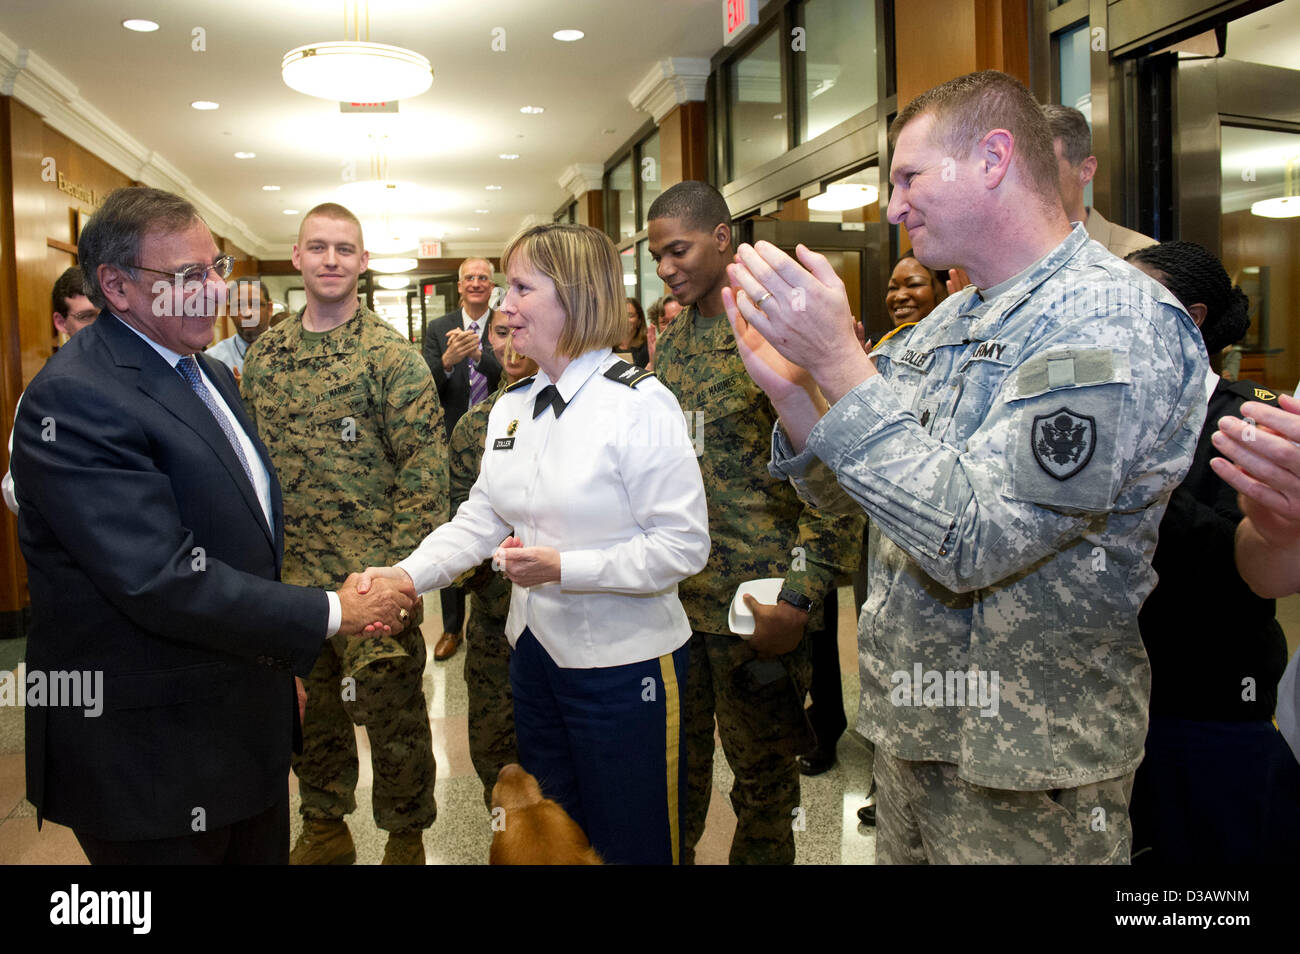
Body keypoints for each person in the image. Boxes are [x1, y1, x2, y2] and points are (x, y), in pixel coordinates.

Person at [724, 70, 1208, 863]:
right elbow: (863, 498)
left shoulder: (1110, 318)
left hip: (1029, 766)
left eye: (909, 176)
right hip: (914, 734)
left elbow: (977, 539)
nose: (892, 206)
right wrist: (793, 394)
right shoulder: (950, 319)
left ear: (992, 158)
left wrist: (843, 365)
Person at [9, 186, 412, 864]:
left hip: (235, 730)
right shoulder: (77, 398)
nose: (213, 292)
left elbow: (238, 538)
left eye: (215, 268)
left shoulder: (210, 376)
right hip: (150, 756)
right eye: (186, 277)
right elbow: (157, 578)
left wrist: (272, 665)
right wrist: (329, 611)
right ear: (116, 286)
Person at [357, 223, 709, 865]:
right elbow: (483, 512)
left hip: (625, 672)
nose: (503, 305)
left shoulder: (641, 405)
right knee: (551, 843)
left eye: (521, 287)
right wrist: (408, 575)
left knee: (633, 844)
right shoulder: (514, 404)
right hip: (537, 659)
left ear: (573, 297)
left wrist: (562, 567)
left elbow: (683, 546)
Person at [647, 181, 863, 865]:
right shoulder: (673, 342)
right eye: (655, 258)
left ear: (720, 237)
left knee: (764, 789)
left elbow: (834, 482)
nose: (666, 268)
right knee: (676, 778)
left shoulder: (778, 329)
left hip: (758, 610)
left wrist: (799, 597)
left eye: (677, 250)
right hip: (680, 608)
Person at [240, 202, 444, 866]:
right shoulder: (266, 354)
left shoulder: (393, 357)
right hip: (292, 588)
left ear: (362, 262)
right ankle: (325, 825)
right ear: (296, 258)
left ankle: (405, 836)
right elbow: (246, 465)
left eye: (345, 249)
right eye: (318, 247)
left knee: (394, 719)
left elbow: (424, 471)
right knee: (314, 717)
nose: (331, 260)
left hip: (373, 583)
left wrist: (401, 580)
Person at [1119, 240, 1299, 863]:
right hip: (1109, 699)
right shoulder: (1103, 412)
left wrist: (1140, 479)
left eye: (1127, 299)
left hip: (1209, 703)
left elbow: (1242, 568)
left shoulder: (1251, 422)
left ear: (1188, 317)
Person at [847, 252, 947, 824]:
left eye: (913, 283)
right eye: (892, 286)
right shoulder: (890, 349)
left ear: (942, 286)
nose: (900, 294)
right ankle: (883, 781)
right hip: (883, 534)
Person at [448, 310, 538, 807]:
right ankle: (508, 841)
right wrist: (487, 583)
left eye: (518, 330)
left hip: (563, 608)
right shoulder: (474, 427)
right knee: (496, 747)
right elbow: (456, 516)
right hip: (494, 616)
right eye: (499, 333)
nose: (511, 343)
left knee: (556, 749)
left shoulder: (572, 414)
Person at [422, 257, 503, 662]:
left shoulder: (505, 320)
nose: (476, 283)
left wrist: (480, 355)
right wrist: (450, 359)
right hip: (452, 444)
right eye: (469, 277)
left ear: (492, 285)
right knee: (453, 528)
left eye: (483, 278)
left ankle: (496, 615)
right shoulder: (439, 328)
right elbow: (423, 385)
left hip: (501, 439)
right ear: (459, 285)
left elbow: (508, 372)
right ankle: (452, 627)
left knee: (498, 524)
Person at [3, 266, 98, 514]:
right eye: (86, 317)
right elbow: (14, 489)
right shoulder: (43, 398)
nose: (99, 328)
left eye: (104, 316)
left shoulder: (138, 378)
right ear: (60, 322)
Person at [1042, 103, 1155, 258]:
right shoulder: (1005, 258)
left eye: (1044, 169)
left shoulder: (1139, 260)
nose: (1028, 183)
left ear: (1086, 171)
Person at [206, 279, 274, 379]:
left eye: (255, 304)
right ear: (229, 311)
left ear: (269, 308)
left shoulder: (292, 351)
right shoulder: (213, 360)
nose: (248, 313)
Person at [618, 297, 650, 367]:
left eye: (630, 315)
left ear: (639, 320)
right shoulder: (608, 347)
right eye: (622, 315)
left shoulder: (647, 347)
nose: (625, 319)